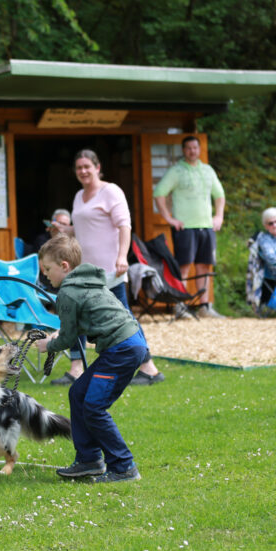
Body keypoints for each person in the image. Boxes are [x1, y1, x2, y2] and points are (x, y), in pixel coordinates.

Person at [34, 235, 146, 483]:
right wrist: (61, 333)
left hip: (122, 349)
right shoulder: (88, 282)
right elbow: (82, 322)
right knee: (78, 394)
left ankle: (124, 466)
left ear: (64, 266)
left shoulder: (68, 293)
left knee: (94, 407)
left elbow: (68, 340)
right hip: (128, 343)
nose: (45, 276)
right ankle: (89, 460)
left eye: (48, 270)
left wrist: (48, 344)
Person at [48, 148, 165, 387]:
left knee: (123, 317)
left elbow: (125, 226)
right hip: (83, 273)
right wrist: (63, 230)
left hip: (109, 270)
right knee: (76, 315)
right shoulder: (79, 196)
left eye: (87, 167)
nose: (83, 171)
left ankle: (149, 368)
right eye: (79, 168)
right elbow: (80, 230)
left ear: (97, 167)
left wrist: (123, 257)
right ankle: (76, 368)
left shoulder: (111, 191)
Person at [152, 136, 226, 318]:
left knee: (204, 267)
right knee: (183, 268)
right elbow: (159, 193)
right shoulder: (176, 171)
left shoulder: (207, 170)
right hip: (185, 228)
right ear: (183, 150)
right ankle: (180, 306)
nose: (192, 151)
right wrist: (169, 218)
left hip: (206, 226)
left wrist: (219, 215)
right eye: (188, 148)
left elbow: (220, 194)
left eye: (195, 147)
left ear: (199, 149)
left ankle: (205, 306)